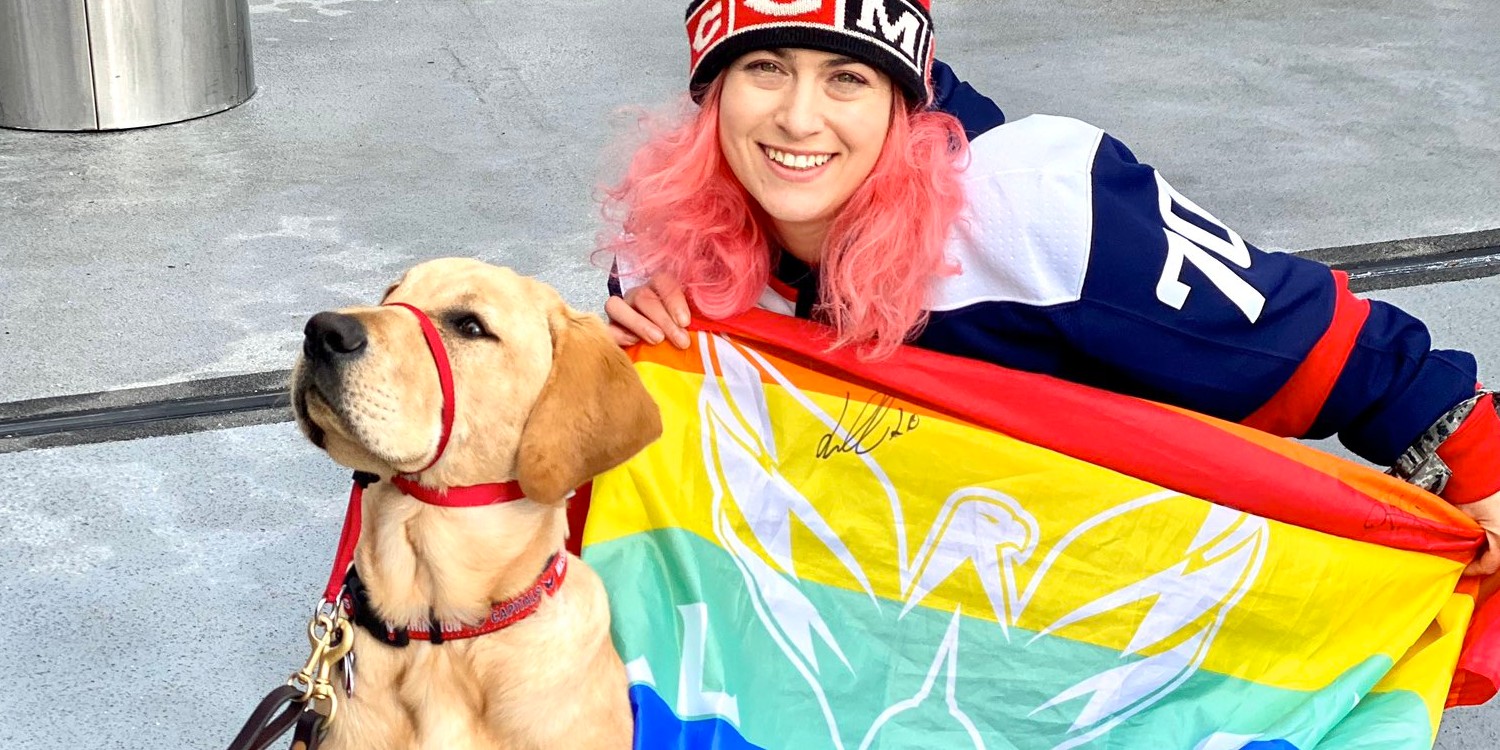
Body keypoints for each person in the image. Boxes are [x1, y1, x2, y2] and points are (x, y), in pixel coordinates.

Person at [598, 0, 1500, 575]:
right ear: (713, 94)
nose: (798, 118)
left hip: (1094, 583)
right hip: (868, 599)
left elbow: (1313, 343)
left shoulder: (1038, 202)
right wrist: (619, 364)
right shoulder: (667, 237)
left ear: (904, 101)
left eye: (846, 77)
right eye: (764, 68)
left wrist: (1474, 464)